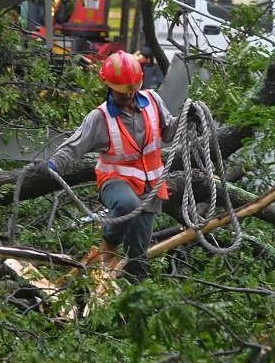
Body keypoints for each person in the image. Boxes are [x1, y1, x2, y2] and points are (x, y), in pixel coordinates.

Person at [34, 50, 176, 281]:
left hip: (151, 188)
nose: (129, 97)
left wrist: (188, 118)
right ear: (109, 86)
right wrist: (52, 165)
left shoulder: (152, 101)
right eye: (123, 94)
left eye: (132, 91)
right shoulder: (99, 118)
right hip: (116, 183)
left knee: (137, 257)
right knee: (127, 204)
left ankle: (130, 298)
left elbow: (169, 132)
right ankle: (108, 246)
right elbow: (73, 147)